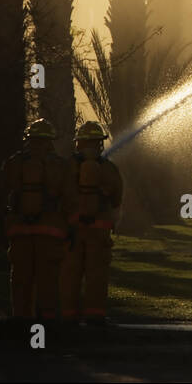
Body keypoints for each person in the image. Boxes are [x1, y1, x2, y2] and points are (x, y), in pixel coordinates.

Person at [0, 119, 68, 321]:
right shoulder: (60, 166)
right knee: (47, 279)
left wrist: (4, 219)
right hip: (50, 231)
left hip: (19, 230)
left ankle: (21, 320)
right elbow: (70, 198)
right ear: (50, 141)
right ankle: (47, 322)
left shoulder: (15, 162)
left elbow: (0, 189)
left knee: (21, 278)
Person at [60, 121, 123, 325]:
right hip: (100, 230)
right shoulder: (109, 168)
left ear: (78, 143)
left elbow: (58, 195)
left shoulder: (67, 166)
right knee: (97, 274)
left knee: (70, 274)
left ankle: (68, 315)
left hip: (74, 230)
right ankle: (95, 315)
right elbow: (116, 198)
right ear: (100, 144)